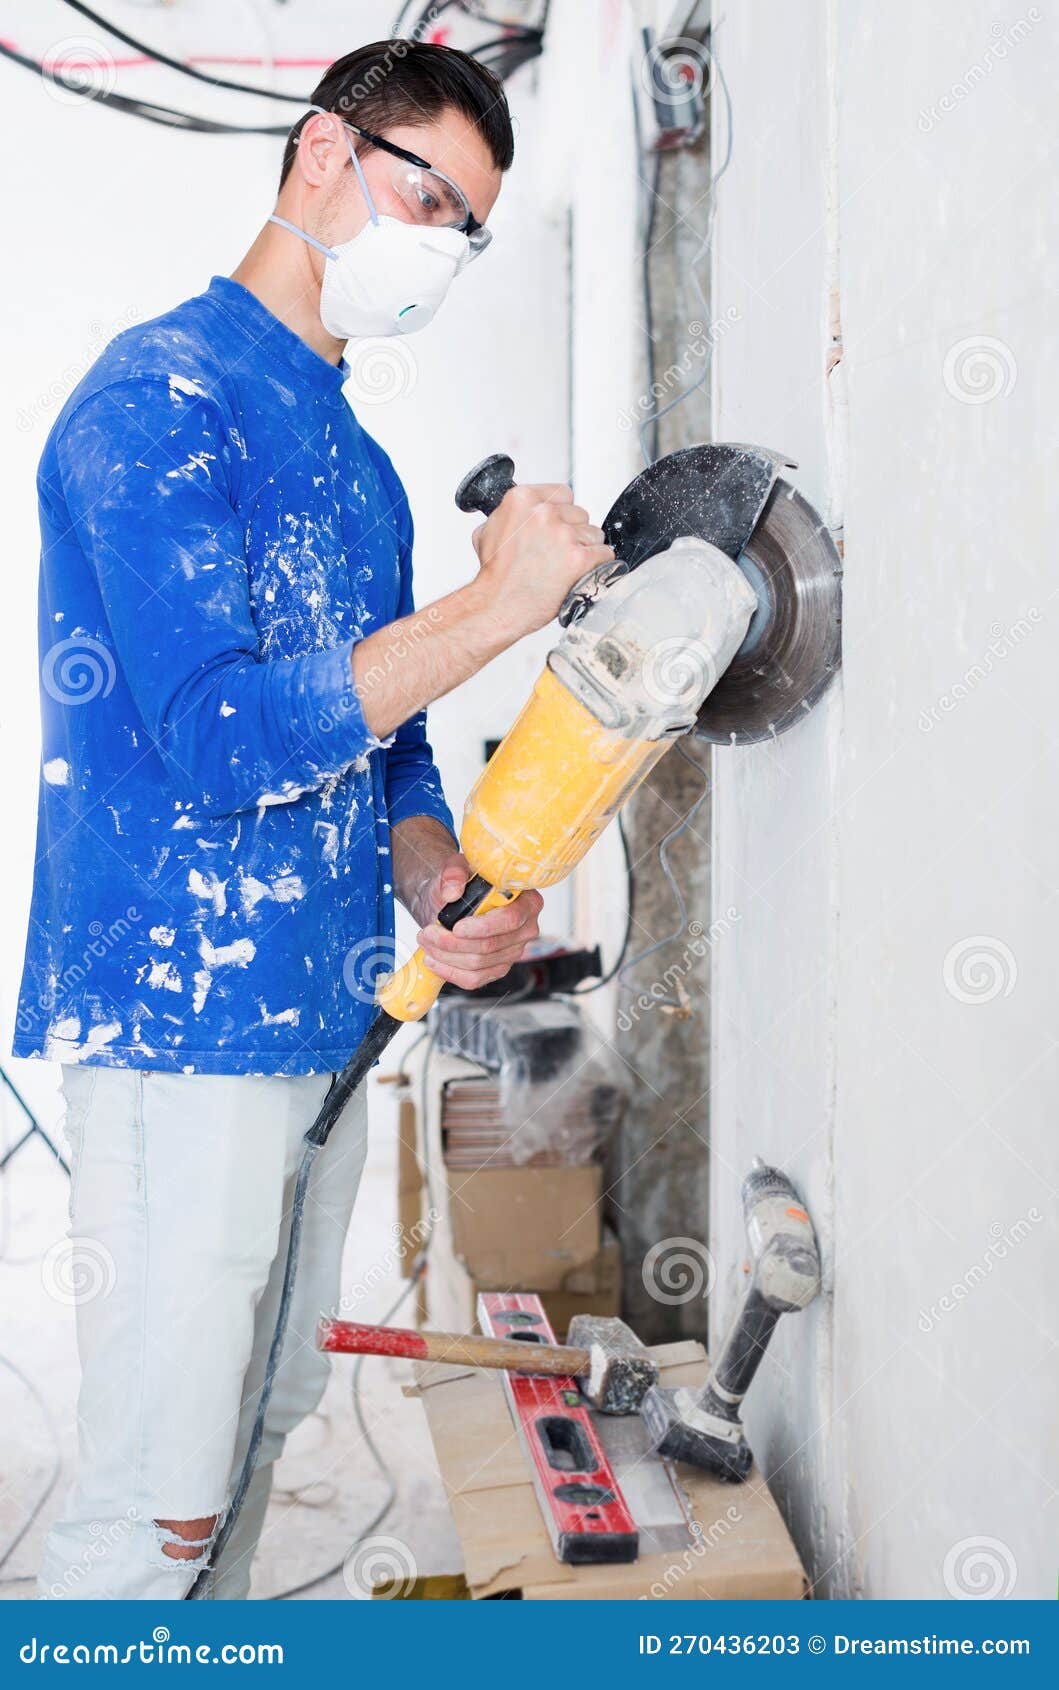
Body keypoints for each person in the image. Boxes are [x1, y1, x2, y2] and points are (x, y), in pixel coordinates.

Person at [16, 39, 614, 1599]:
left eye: (470, 232)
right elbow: (220, 737)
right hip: (184, 1012)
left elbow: (388, 756)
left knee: (264, 1429)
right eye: (432, 201)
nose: (443, 256)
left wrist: (434, 884)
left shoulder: (355, 468)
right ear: (318, 156)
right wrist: (494, 609)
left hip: (322, 1015)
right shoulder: (154, 404)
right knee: (161, 1495)